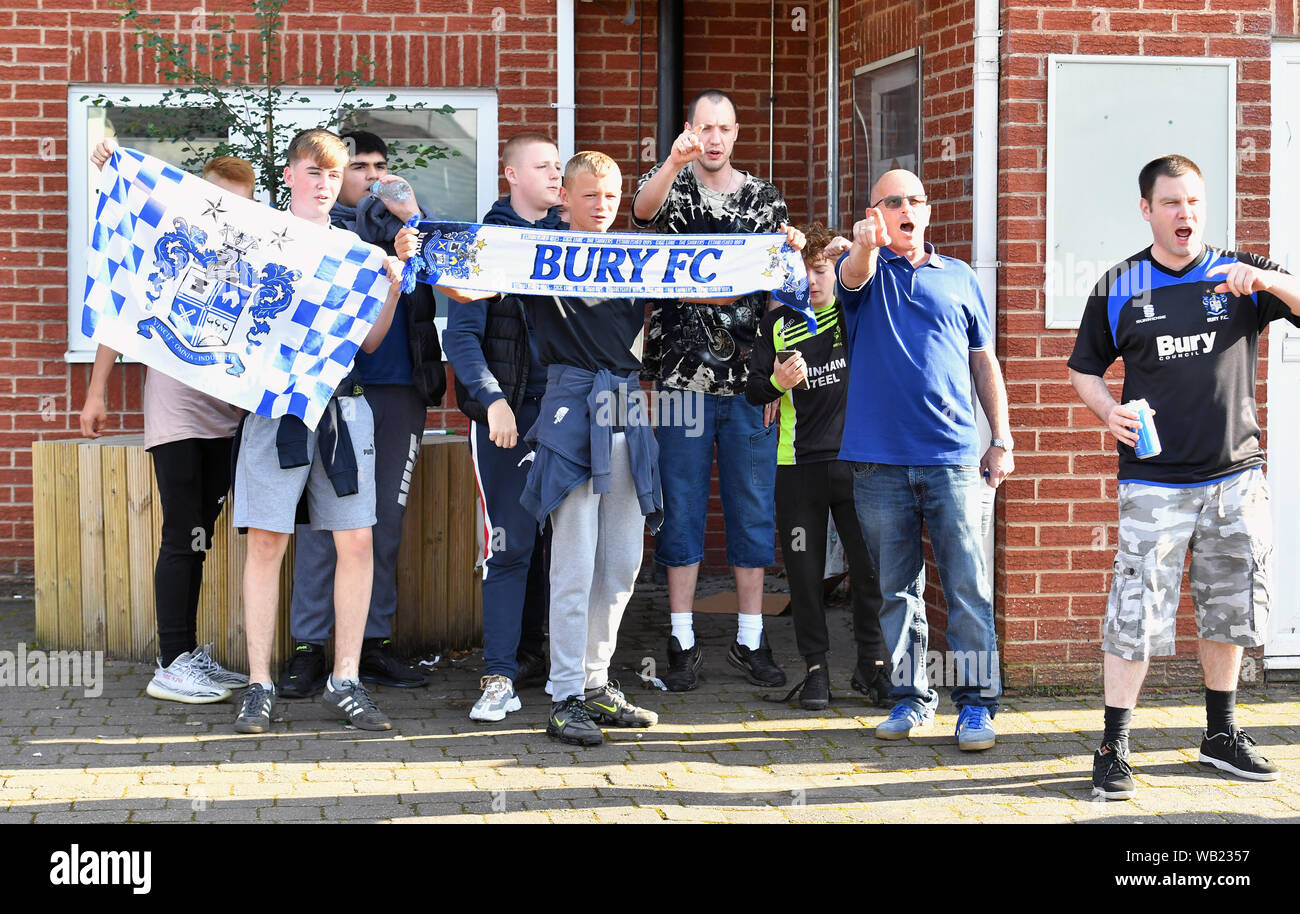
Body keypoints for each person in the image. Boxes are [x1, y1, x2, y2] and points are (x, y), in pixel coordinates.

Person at [1068, 154, 1298, 799]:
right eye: (1171, 203)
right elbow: (1084, 367)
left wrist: (1271, 285)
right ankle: (1115, 745)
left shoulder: (1240, 276)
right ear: (1147, 210)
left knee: (1231, 611)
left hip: (1234, 477)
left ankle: (1220, 735)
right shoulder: (1119, 286)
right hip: (1155, 483)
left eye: (1193, 202)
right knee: (1134, 613)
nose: (1185, 214)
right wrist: (1108, 409)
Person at [231, 128, 410, 734]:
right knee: (267, 542)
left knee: (356, 541)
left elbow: (371, 342)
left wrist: (389, 285)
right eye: (314, 172)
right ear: (289, 175)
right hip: (276, 409)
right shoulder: (261, 237)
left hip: (342, 407)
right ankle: (258, 684)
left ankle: (347, 678)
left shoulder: (354, 248)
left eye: (333, 176)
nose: (324, 184)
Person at [835, 169, 1012, 751]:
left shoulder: (959, 277)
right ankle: (912, 699)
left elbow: (983, 363)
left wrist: (1001, 439)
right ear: (874, 211)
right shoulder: (859, 271)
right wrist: (864, 244)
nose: (906, 207)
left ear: (928, 211)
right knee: (896, 590)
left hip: (954, 458)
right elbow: (852, 275)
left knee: (967, 588)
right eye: (893, 201)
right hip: (877, 461)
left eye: (916, 198)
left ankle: (977, 707)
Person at [632, 88, 796, 692]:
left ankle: (751, 640)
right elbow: (641, 214)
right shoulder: (672, 184)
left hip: (750, 384)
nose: (716, 138)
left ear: (736, 132)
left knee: (753, 512)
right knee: (682, 509)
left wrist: (778, 373)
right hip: (679, 381)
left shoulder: (763, 199)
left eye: (725, 128)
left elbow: (781, 292)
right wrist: (672, 161)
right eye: (706, 127)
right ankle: (680, 639)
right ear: (690, 130)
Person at [80, 141, 252, 704]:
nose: (231, 211)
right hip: (177, 415)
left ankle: (187, 652)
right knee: (183, 533)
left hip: (229, 420)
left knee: (199, 535)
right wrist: (96, 393)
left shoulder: (254, 252)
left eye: (242, 202)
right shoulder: (165, 245)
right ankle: (171, 661)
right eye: (220, 200)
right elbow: (117, 310)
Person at [276, 130, 445, 700]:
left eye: (380, 166)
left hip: (400, 388)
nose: (370, 176)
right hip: (335, 391)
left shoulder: (404, 225)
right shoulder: (320, 230)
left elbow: (447, 270)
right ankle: (308, 648)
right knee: (324, 525)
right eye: (358, 167)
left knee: (383, 526)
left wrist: (412, 214)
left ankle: (372, 646)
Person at [443, 132, 564, 722]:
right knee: (511, 543)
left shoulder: (574, 244)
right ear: (510, 175)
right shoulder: (481, 245)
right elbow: (460, 337)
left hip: (564, 416)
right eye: (543, 166)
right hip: (506, 417)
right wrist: (492, 401)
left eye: (559, 166)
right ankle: (498, 675)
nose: (555, 174)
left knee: (558, 543)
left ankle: (542, 661)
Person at [745, 224, 891, 710]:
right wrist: (777, 380)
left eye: (821, 270)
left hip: (857, 466)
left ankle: (872, 668)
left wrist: (852, 250)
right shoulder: (778, 324)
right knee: (804, 576)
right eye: (803, 273)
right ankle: (815, 672)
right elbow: (754, 392)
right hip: (797, 469)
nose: (812, 281)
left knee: (868, 571)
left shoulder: (855, 312)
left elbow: (874, 271)